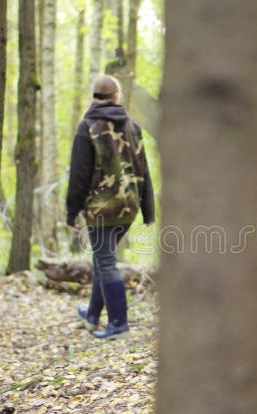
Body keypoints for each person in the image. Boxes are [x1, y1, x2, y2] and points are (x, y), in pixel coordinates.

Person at [65, 75, 154, 339]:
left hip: (101, 209)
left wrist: (71, 212)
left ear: (94, 95)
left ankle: (118, 324)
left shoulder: (87, 127)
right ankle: (92, 315)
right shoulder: (133, 126)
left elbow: (79, 176)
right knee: (103, 258)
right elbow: (144, 169)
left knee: (105, 261)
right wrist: (149, 209)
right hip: (128, 206)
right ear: (116, 96)